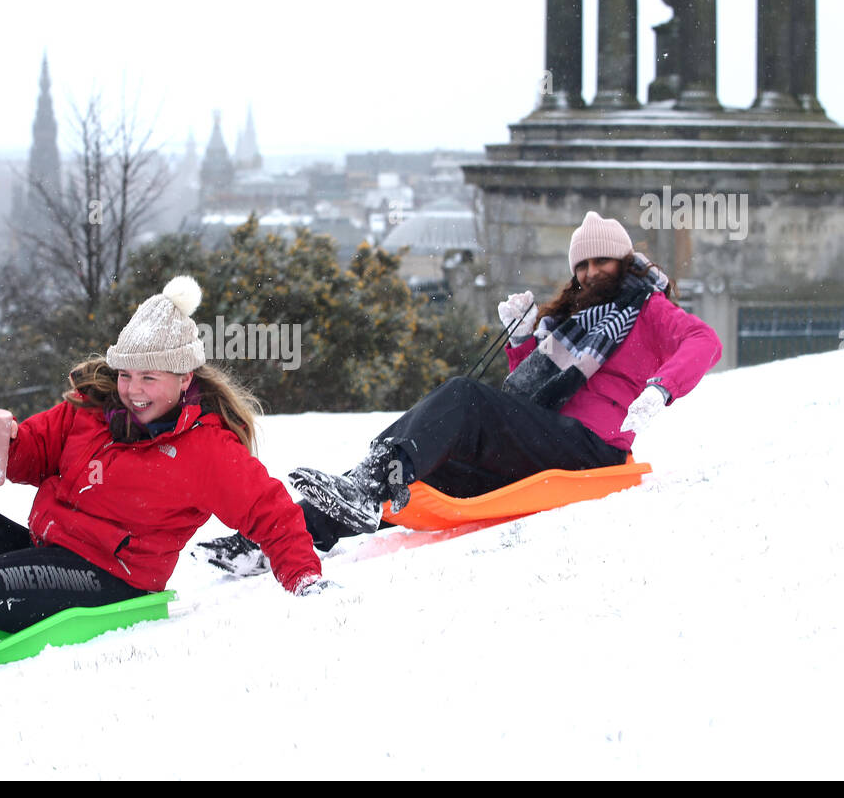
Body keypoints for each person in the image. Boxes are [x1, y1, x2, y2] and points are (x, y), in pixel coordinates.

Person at [0, 276, 330, 711]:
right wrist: (0, 439)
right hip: (47, 551)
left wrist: (305, 580)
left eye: (150, 377)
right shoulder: (90, 412)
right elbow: (33, 451)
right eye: (126, 374)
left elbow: (271, 513)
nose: (133, 389)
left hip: (111, 581)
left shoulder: (204, 449)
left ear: (185, 379)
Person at [196, 211, 722, 574]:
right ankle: (279, 540)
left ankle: (361, 486)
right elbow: (533, 393)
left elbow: (705, 340)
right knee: (419, 468)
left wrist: (660, 390)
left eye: (599, 263)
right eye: (581, 266)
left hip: (591, 447)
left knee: (465, 396)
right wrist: (521, 339)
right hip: (545, 442)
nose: (588, 273)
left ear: (623, 263)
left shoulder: (648, 309)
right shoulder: (574, 320)